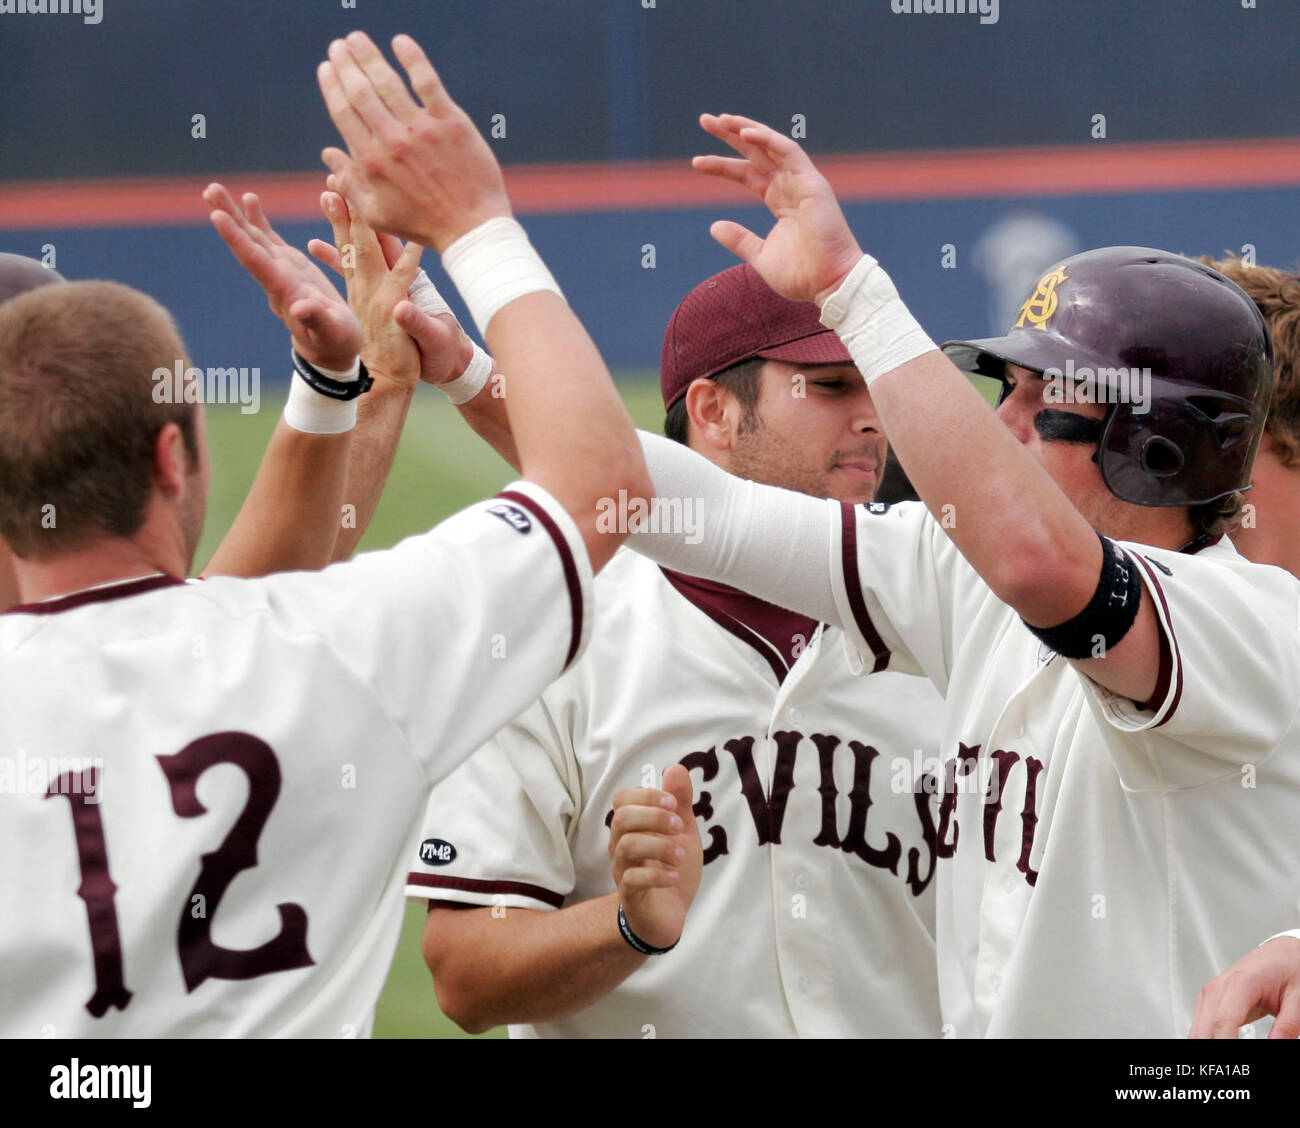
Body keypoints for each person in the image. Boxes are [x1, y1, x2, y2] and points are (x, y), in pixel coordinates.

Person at [0, 34, 651, 1036]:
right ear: (170, 459)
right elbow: (599, 484)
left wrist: (346, 386)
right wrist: (477, 223)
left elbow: (201, 616)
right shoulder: (331, 651)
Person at [616, 114, 1299, 1036]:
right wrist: (469, 367)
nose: (1000, 426)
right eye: (1001, 391)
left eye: (1039, 403)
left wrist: (855, 291)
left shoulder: (1247, 623)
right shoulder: (969, 581)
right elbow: (700, 512)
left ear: (1156, 451)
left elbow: (1038, 563)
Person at [403, 264, 945, 1038]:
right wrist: (625, 925)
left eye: (875, 387)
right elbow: (466, 972)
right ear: (714, 411)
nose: (871, 419)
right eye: (829, 386)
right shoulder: (548, 637)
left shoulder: (947, 608)